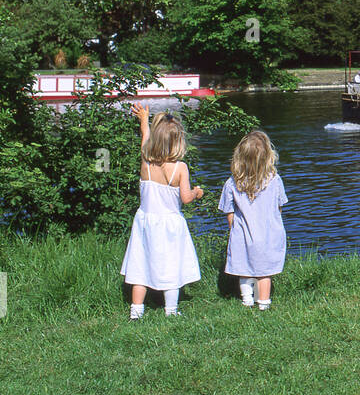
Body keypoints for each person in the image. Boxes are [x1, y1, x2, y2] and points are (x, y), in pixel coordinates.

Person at [120, 105, 203, 318]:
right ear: (178, 141)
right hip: (170, 224)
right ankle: (171, 310)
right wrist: (196, 192)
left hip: (145, 221)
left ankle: (136, 310)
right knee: (171, 265)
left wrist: (143, 120)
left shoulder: (146, 159)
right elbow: (185, 199)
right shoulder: (180, 168)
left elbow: (145, 135)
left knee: (140, 265)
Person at [218, 130, 288, 310]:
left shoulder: (233, 182)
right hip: (268, 232)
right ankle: (263, 302)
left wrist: (234, 228)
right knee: (264, 272)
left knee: (244, 267)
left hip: (242, 232)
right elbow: (279, 206)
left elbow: (228, 210)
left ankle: (247, 298)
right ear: (268, 156)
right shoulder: (274, 180)